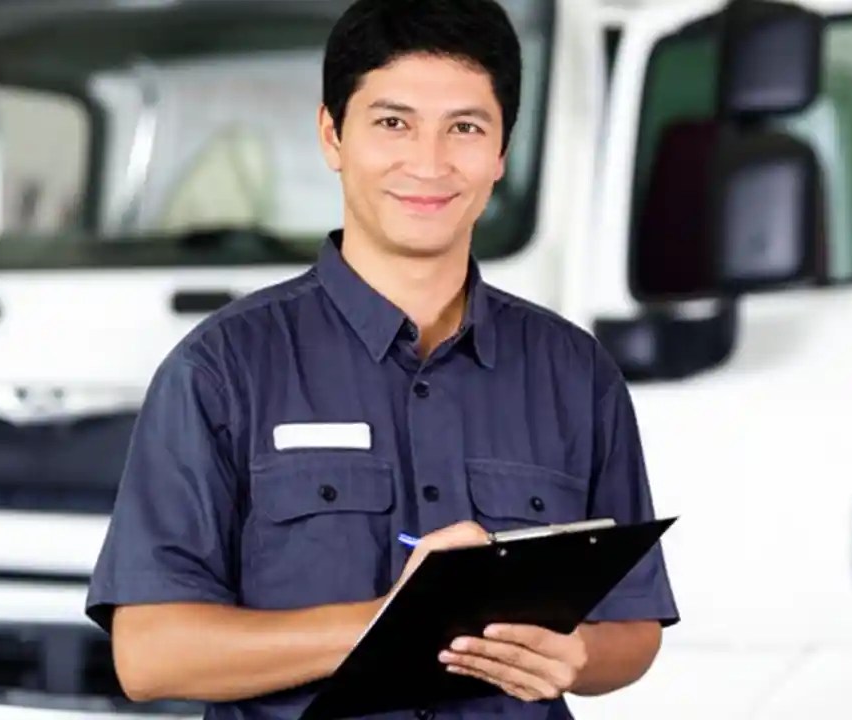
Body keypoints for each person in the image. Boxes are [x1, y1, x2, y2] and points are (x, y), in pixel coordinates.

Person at [84, 0, 678, 716]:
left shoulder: (577, 375)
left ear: (500, 154)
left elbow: (634, 628)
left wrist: (577, 655)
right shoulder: (222, 368)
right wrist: (388, 621)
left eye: (464, 127)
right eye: (393, 123)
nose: (428, 163)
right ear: (332, 135)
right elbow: (149, 653)